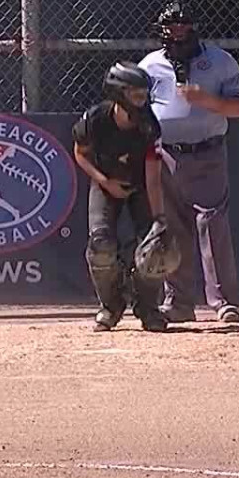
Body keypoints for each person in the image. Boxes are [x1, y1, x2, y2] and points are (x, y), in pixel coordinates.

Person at [138, 1, 239, 324]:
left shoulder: (219, 60)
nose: (177, 33)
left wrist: (207, 100)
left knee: (211, 223)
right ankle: (179, 302)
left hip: (207, 152)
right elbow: (138, 107)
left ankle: (225, 302)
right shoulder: (150, 66)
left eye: (183, 27)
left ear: (194, 28)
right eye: (171, 28)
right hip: (166, 154)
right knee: (172, 227)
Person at [74, 62, 180, 333]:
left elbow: (153, 175)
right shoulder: (95, 119)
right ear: (118, 93)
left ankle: (148, 308)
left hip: (140, 187)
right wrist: (105, 182)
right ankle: (110, 306)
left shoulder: (147, 126)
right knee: (101, 245)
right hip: (105, 183)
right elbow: (80, 153)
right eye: (135, 94)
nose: (141, 100)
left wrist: (158, 218)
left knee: (155, 247)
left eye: (143, 94)